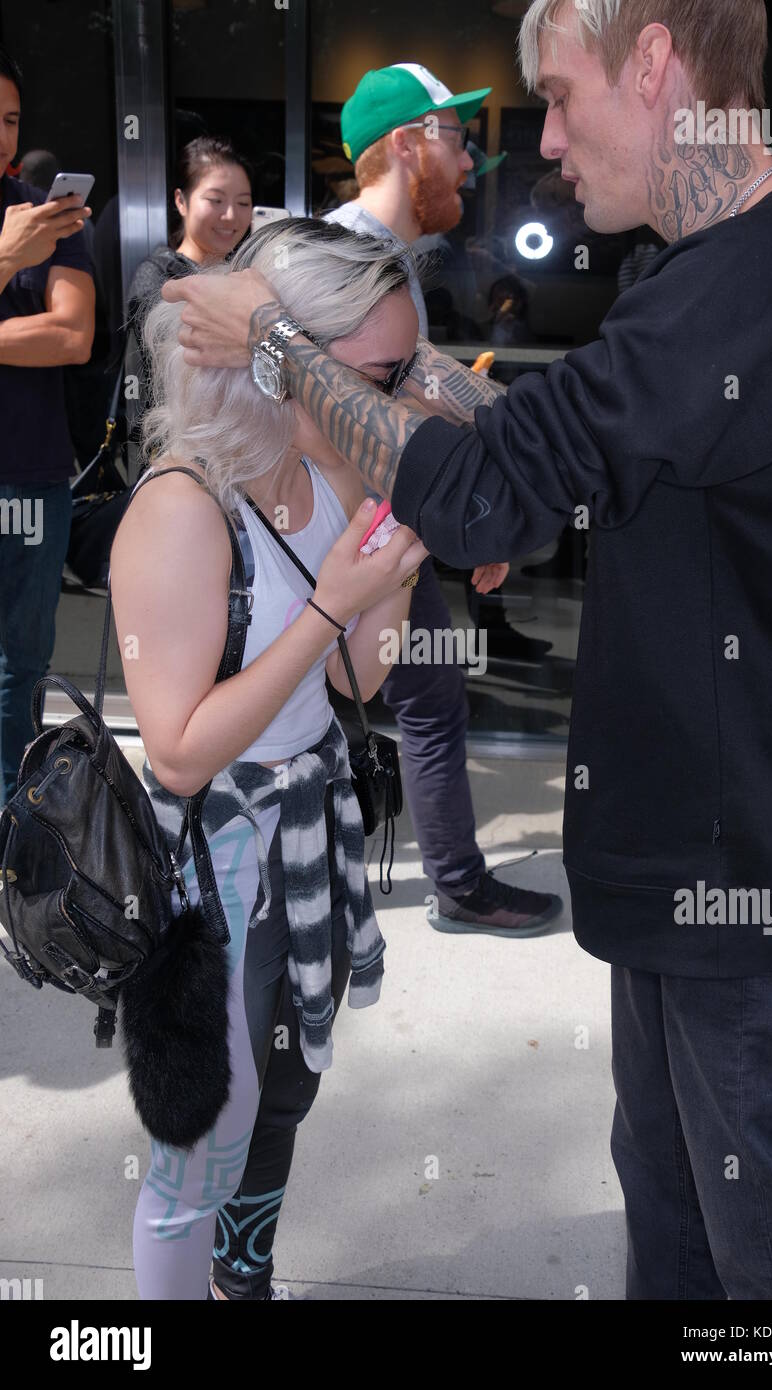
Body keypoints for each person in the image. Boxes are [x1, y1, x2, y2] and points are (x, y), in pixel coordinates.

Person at [164, 0, 772, 1301]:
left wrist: (275, 348)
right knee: (670, 1216)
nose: (543, 138)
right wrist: (419, 380)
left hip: (753, 876)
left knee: (766, 1252)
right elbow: (582, 454)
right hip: (683, 858)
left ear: (652, 65)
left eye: (557, 93)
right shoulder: (688, 270)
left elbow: (489, 498)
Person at [111, 217, 427, 1301]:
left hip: (308, 835)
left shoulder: (319, 471)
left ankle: (242, 1278)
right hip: (212, 869)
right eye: (377, 375)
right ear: (283, 357)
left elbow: (356, 687)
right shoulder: (181, 505)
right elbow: (181, 752)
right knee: (200, 1133)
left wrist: (389, 576)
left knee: (284, 1089)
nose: (388, 400)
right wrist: (336, 601)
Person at [325, 63, 562, 937]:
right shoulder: (347, 257)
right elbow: (383, 414)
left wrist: (490, 478)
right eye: (456, 138)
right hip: (345, 537)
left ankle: (447, 882)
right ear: (404, 145)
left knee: (424, 698)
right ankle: (431, 885)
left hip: (382, 531)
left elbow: (423, 382)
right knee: (370, 702)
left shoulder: (379, 256)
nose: (469, 163)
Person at [0, 48, 94, 806]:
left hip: (32, 473)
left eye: (10, 120)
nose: (1, 135)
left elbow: (73, 336)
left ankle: (11, 825)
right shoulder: (22, 236)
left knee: (20, 664)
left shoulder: (50, 216)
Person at [125, 136, 253, 434]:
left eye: (243, 202)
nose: (231, 215)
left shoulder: (247, 275)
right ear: (181, 200)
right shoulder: (157, 277)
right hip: (180, 451)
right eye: (216, 200)